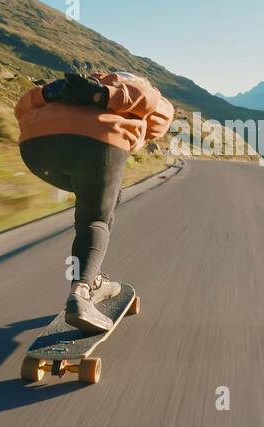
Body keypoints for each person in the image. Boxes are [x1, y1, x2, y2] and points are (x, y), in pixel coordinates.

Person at [15, 71, 174, 333]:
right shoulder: (137, 90)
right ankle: (82, 292)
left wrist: (47, 93)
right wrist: (103, 96)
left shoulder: (74, 84)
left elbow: (21, 106)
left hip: (36, 149)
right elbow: (152, 104)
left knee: (103, 200)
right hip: (96, 144)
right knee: (94, 219)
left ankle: (93, 278)